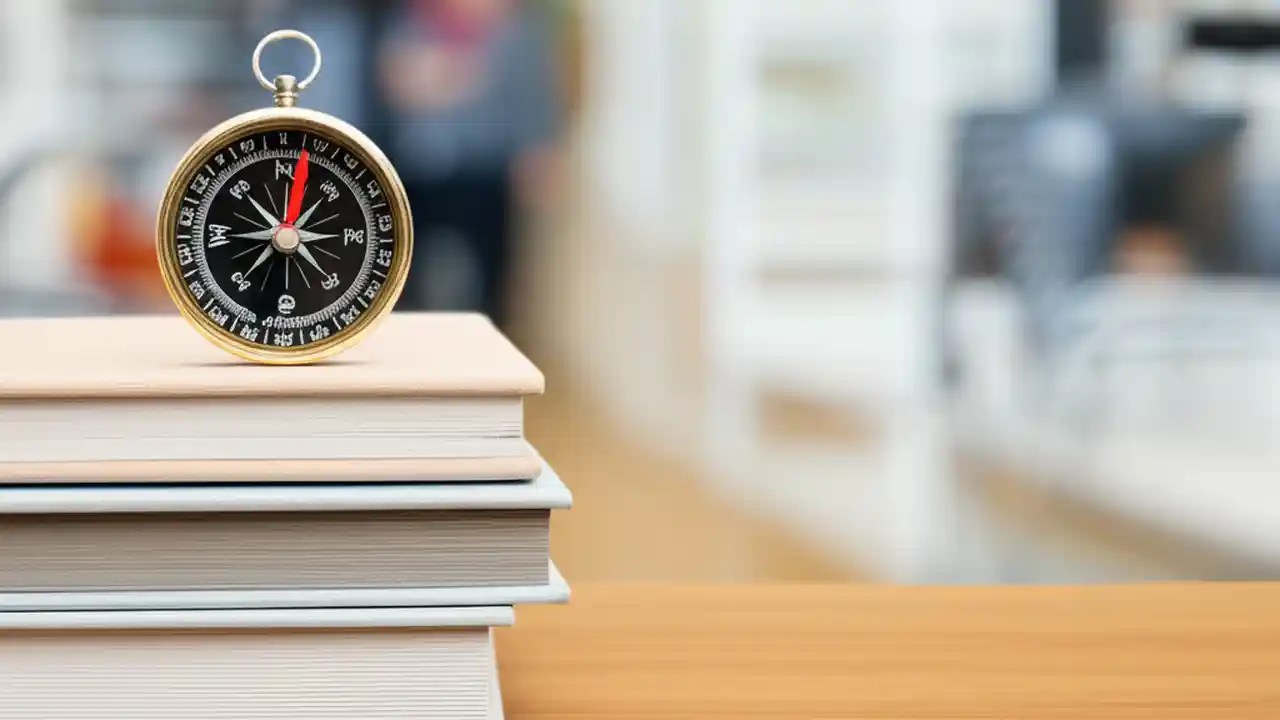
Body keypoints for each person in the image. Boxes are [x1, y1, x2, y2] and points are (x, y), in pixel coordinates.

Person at [378, 0, 560, 325]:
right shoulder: (410, 21)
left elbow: (533, 97)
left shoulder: (514, 29)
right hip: (418, 171)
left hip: (486, 170)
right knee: (410, 272)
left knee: (492, 276)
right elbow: (394, 81)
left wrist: (537, 155)